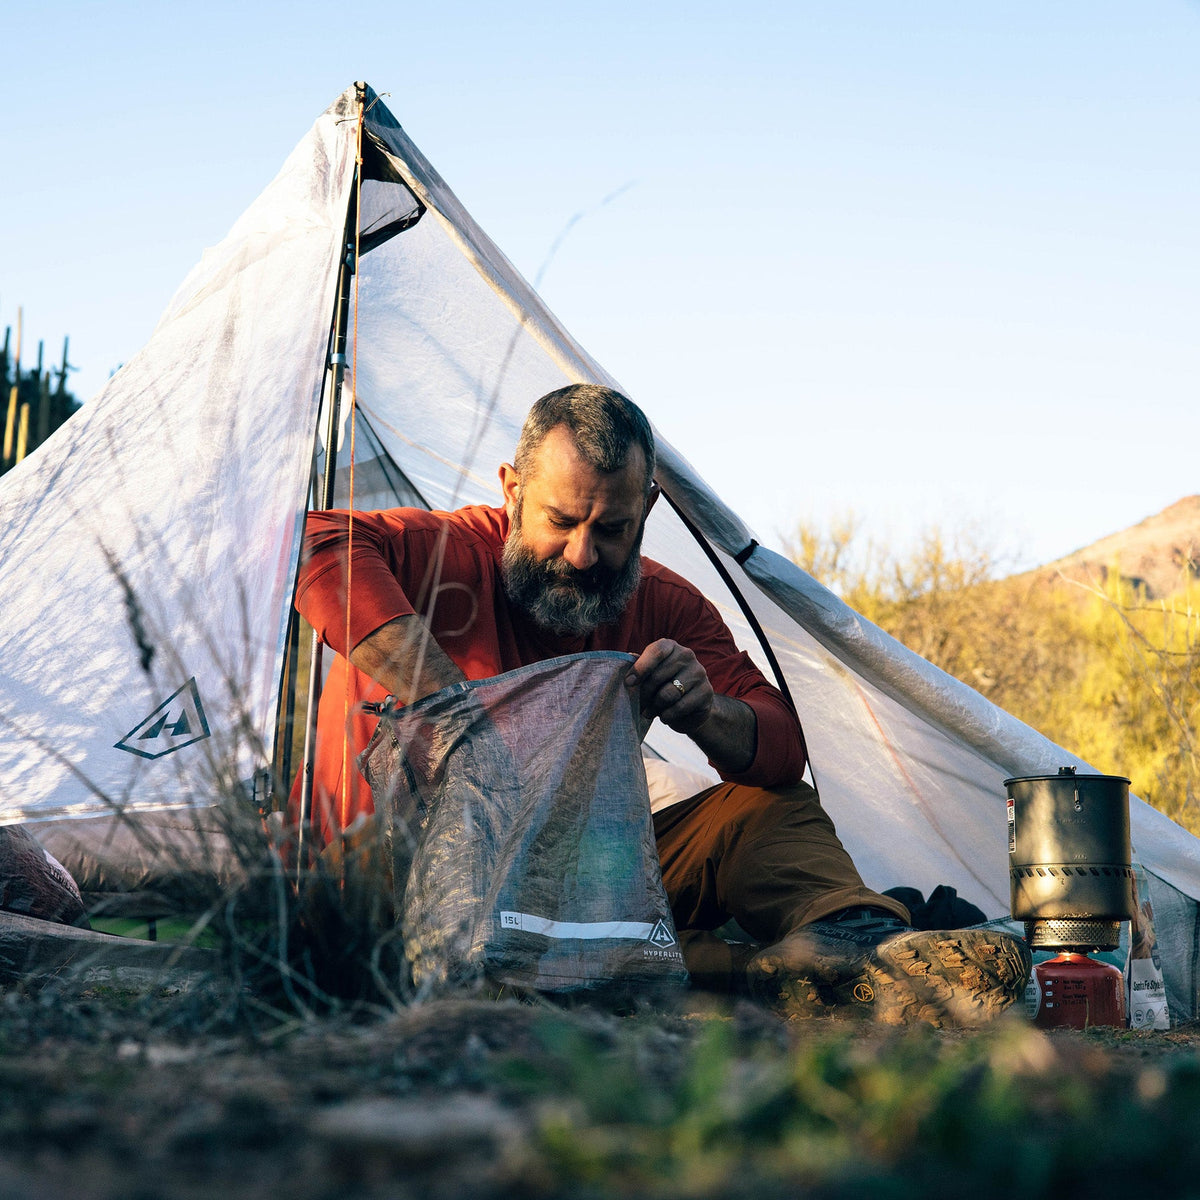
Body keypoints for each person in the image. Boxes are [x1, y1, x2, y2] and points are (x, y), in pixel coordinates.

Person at [294, 383, 1030, 1025]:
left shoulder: (664, 604)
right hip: (399, 878)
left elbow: (778, 744)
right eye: (561, 520)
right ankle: (756, 976)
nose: (583, 554)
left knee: (770, 809)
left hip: (584, 877)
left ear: (646, 508)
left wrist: (707, 712)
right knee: (403, 890)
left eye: (612, 529)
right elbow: (315, 544)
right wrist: (454, 708)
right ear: (512, 491)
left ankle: (860, 950)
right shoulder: (440, 554)